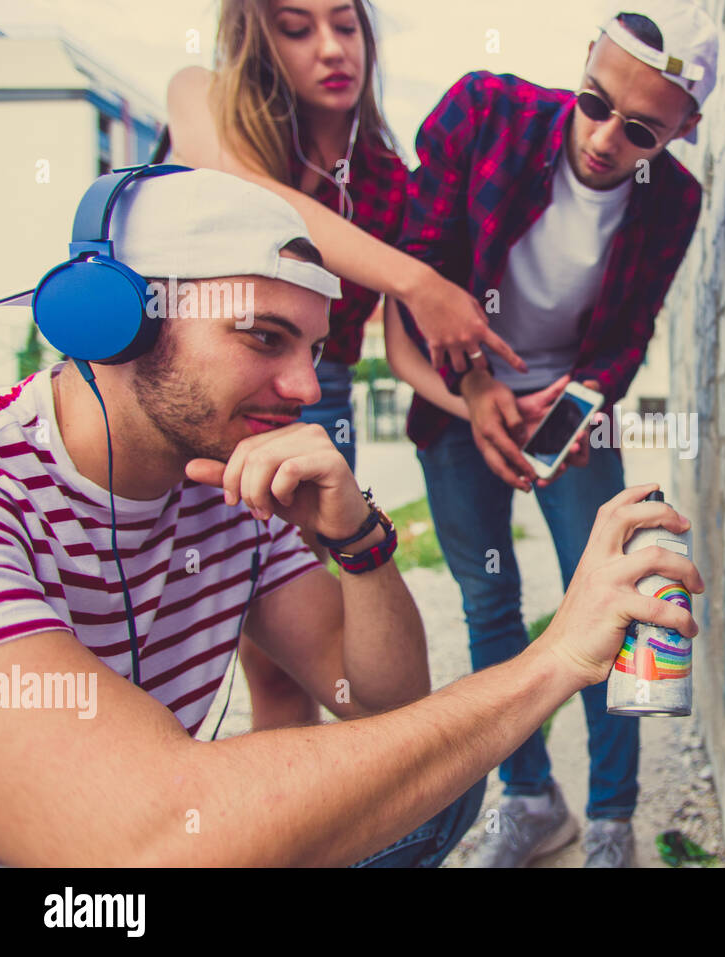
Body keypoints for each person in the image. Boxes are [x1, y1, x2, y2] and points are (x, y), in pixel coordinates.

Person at [0, 168, 702, 867]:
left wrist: (358, 537)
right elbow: (143, 843)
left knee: (432, 782)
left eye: (315, 351)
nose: (306, 387)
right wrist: (553, 661)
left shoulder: (233, 474)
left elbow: (379, 703)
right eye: (265, 338)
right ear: (117, 324)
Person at [389, 1, 718, 867]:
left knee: (621, 600)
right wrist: (476, 390)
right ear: (583, 67)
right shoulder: (483, 113)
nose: (608, 138)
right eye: (595, 102)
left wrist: (578, 403)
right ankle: (531, 798)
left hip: (570, 415)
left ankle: (612, 818)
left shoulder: (673, 199)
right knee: (490, 602)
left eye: (643, 131)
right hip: (457, 401)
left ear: (684, 129)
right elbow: (419, 271)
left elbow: (627, 335)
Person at [163, 0, 522, 731]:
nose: (332, 48)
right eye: (297, 28)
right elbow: (238, 187)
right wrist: (418, 280)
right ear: (258, 40)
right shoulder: (201, 100)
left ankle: (322, 822)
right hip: (213, 390)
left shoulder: (390, 179)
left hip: (321, 400)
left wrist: (476, 406)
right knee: (256, 655)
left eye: (345, 24)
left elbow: (399, 349)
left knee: (310, 647)